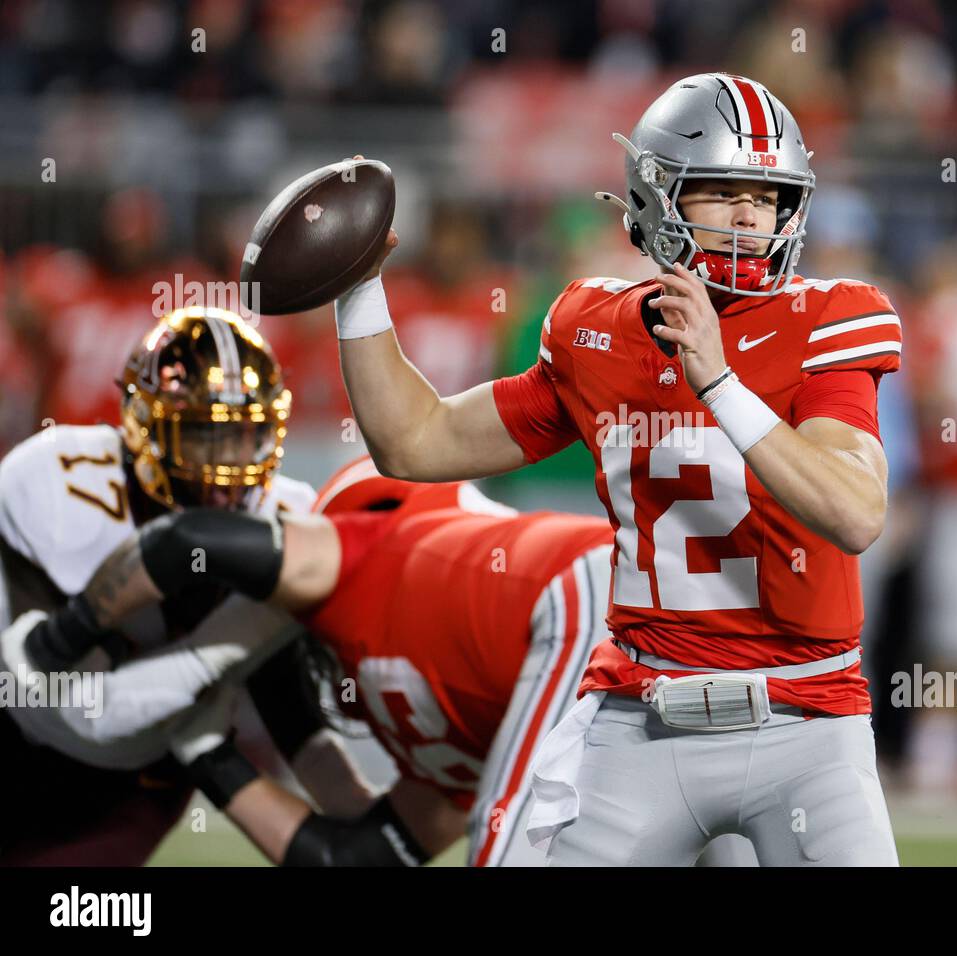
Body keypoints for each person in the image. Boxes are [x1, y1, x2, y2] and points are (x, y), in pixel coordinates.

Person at [329, 73, 901, 865]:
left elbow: (856, 512)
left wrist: (721, 382)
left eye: (767, 197)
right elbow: (416, 442)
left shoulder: (830, 318)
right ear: (656, 198)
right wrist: (357, 290)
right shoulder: (594, 331)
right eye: (722, 192)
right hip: (640, 717)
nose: (749, 217)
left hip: (807, 722)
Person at [47, 455, 759, 866]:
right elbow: (352, 861)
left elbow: (183, 541)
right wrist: (212, 755)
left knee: (511, 844)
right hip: (654, 640)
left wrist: (57, 640)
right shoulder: (466, 732)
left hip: (596, 598)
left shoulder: (365, 551)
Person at [0, 307, 361, 865]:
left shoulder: (284, 515)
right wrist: (207, 681)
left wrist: (369, 820)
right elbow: (54, 700)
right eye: (202, 436)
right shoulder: (61, 482)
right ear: (144, 425)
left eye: (245, 436)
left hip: (132, 782)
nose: (228, 466)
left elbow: (288, 706)